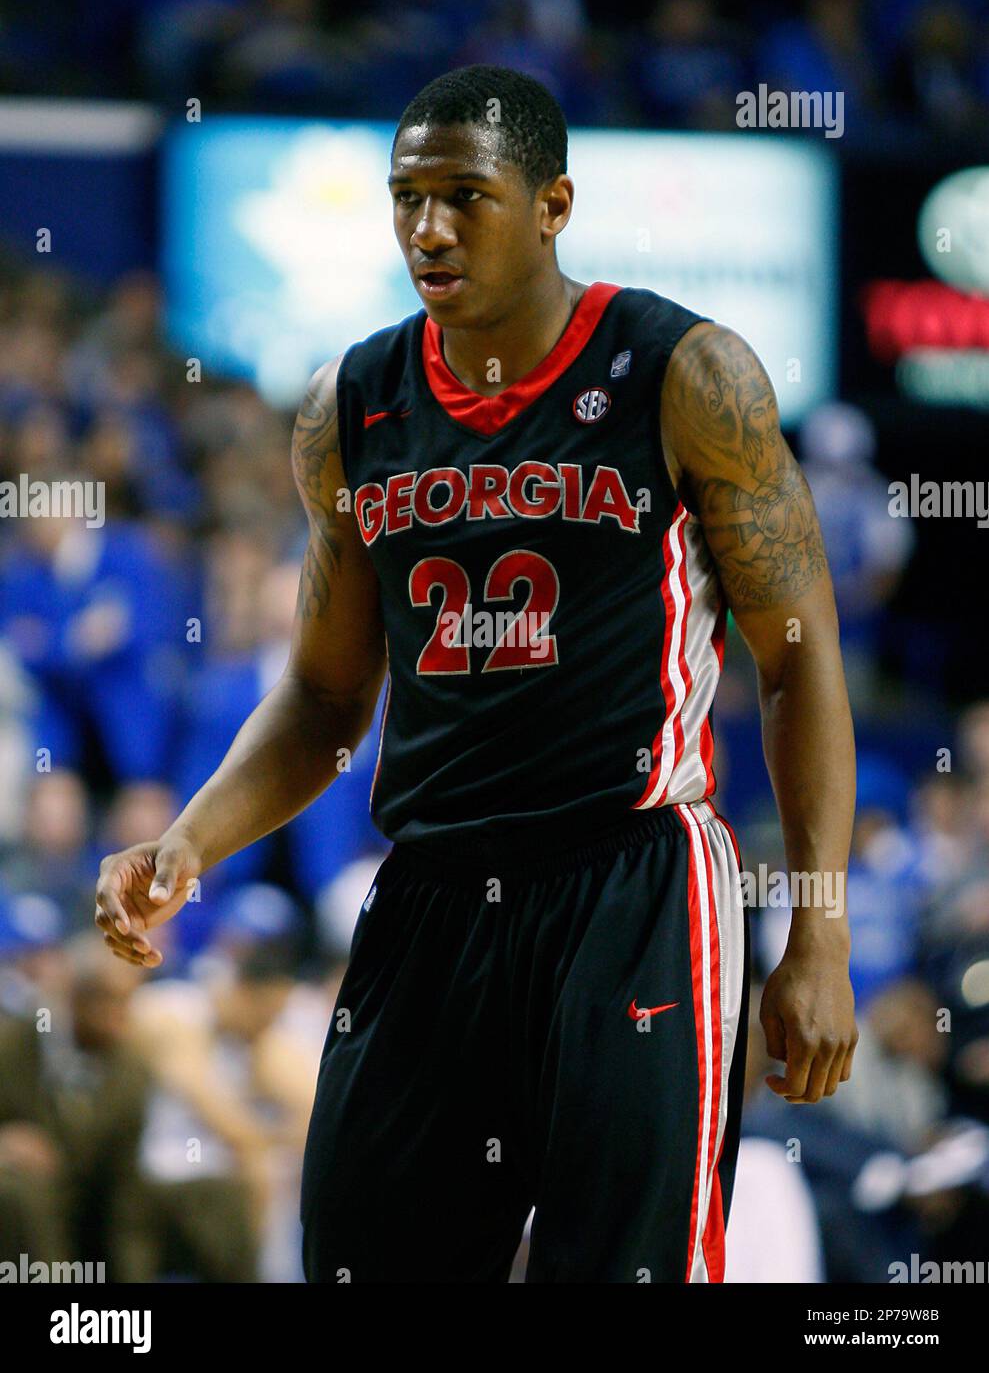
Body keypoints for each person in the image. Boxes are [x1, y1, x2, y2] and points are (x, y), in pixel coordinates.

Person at [95, 64, 858, 1284]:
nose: (427, 229)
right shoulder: (351, 406)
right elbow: (325, 696)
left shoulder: (685, 375)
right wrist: (191, 841)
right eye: (406, 198)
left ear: (552, 203)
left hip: (634, 881)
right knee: (360, 1253)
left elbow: (799, 664)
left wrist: (816, 933)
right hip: (433, 894)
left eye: (464, 196)